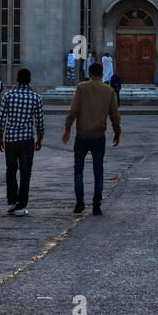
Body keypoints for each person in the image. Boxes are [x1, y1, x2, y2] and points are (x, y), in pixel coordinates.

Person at [63, 62, 121, 216]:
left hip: (82, 135)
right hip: (98, 136)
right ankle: (96, 205)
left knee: (78, 170)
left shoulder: (82, 87)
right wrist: (117, 132)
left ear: (89, 73)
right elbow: (115, 116)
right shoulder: (109, 91)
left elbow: (73, 110)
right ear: (102, 75)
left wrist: (67, 128)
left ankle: (80, 203)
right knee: (98, 171)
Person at [0, 67, 44, 216]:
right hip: (26, 139)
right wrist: (40, 138)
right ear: (29, 80)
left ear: (17, 79)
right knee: (25, 173)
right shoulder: (35, 97)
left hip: (10, 139)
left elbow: (1, 118)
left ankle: (12, 202)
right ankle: (21, 204)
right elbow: (39, 121)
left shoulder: (8, 96)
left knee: (11, 171)